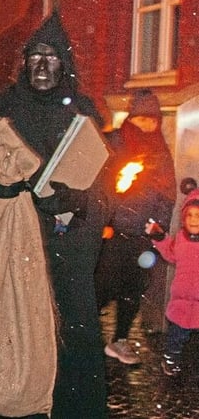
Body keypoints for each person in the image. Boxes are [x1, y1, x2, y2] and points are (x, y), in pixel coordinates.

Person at [0, 12, 110, 418]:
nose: (41, 66)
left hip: (61, 253)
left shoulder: (82, 112)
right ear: (23, 62)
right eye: (35, 57)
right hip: (9, 249)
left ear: (64, 64)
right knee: (5, 343)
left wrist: (71, 200)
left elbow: (101, 186)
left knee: (68, 345)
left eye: (51, 58)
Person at [95, 89, 175, 365]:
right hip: (113, 233)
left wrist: (160, 224)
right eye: (143, 118)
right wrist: (104, 220)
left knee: (133, 289)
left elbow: (167, 191)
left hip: (142, 235)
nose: (148, 125)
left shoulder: (160, 149)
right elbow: (102, 183)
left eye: (153, 119)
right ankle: (82, 334)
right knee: (102, 287)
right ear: (133, 117)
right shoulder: (116, 141)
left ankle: (119, 340)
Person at [147, 183, 199, 375]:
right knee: (177, 334)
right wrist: (159, 237)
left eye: (198, 216)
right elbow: (170, 253)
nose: (194, 220)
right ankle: (171, 357)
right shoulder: (181, 240)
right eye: (190, 216)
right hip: (181, 301)